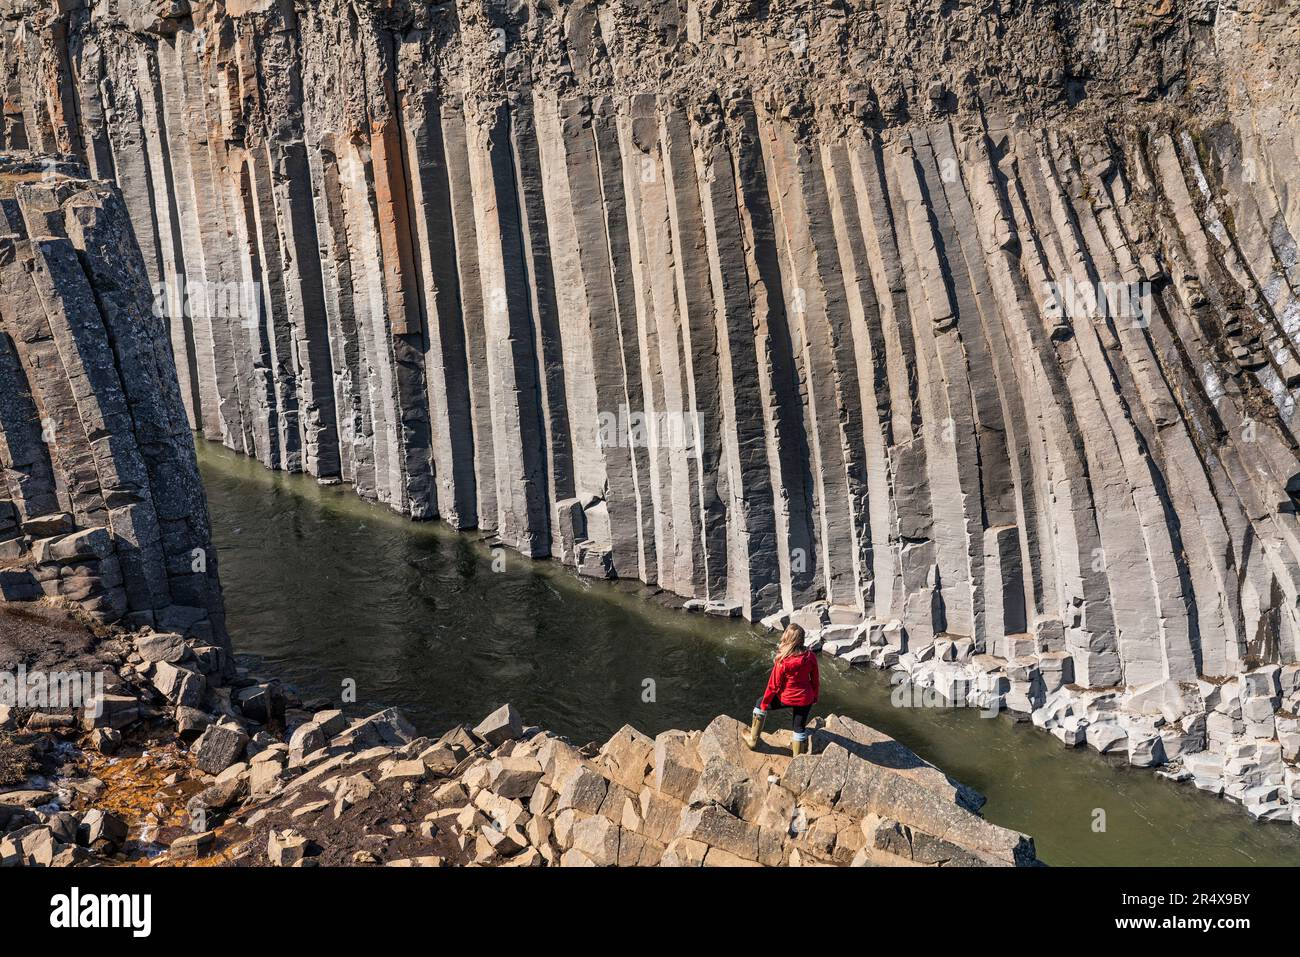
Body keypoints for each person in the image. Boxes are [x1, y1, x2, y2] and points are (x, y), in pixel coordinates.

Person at [745, 623, 820, 755]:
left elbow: (773, 686)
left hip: (786, 698)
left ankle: (753, 740)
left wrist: (764, 704)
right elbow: (815, 680)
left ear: (787, 638)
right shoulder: (810, 657)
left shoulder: (783, 661)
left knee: (758, 703)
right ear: (801, 639)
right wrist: (815, 697)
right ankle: (797, 760)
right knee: (798, 728)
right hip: (805, 698)